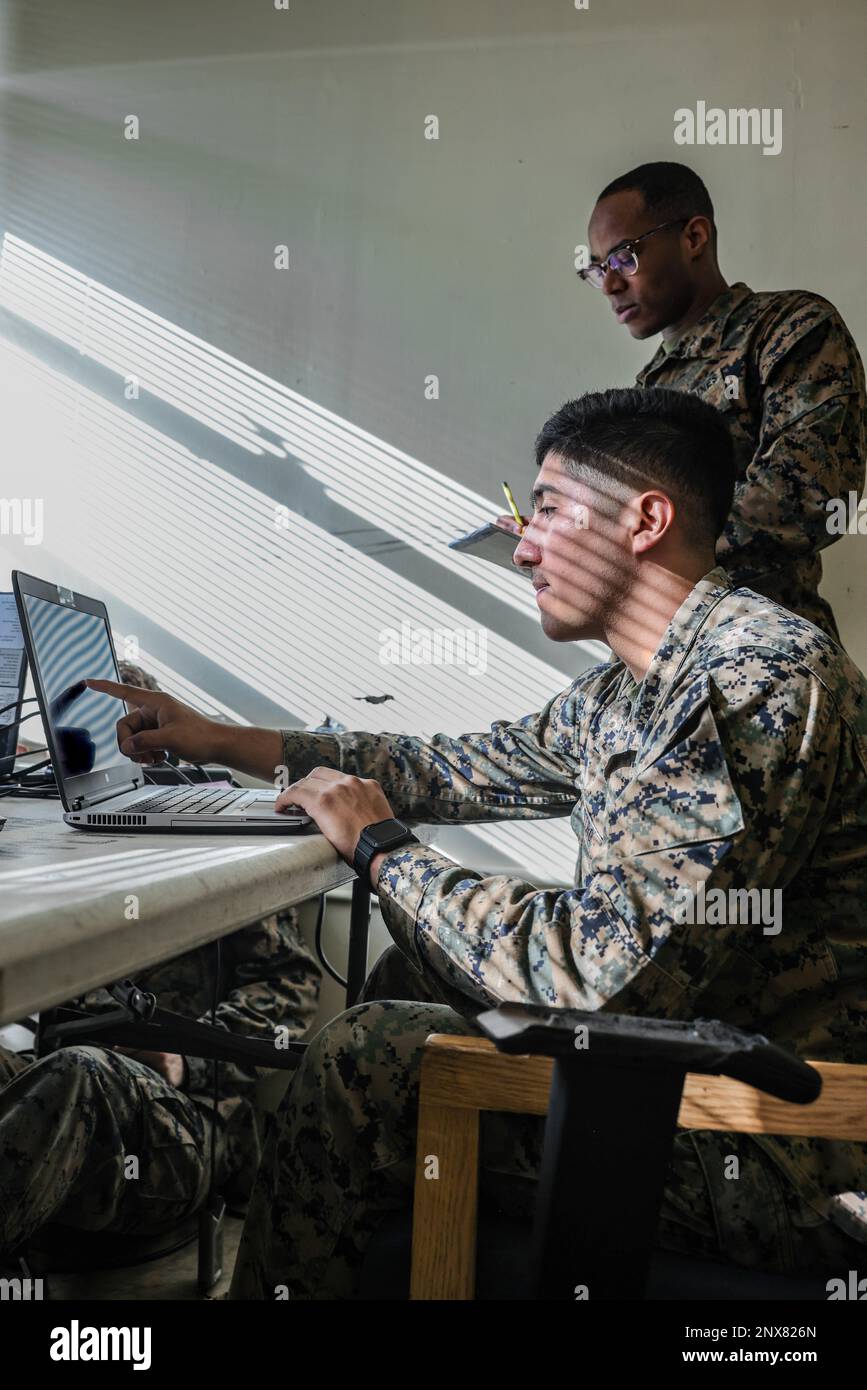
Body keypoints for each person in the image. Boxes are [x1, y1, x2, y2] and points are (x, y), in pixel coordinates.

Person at [88, 388, 867, 1298]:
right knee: (403, 980)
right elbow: (445, 765)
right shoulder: (629, 689)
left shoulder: (753, 674)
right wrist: (216, 736)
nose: (522, 547)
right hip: (675, 1076)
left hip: (770, 1140)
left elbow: (589, 972)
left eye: (543, 513)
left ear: (644, 519)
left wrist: (383, 851)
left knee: (361, 1058)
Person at [0, 664, 321, 1260]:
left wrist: (183, 1063)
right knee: (61, 1069)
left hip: (187, 1127)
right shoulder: (67, 834)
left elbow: (289, 984)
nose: (115, 753)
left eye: (134, 735)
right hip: (66, 1096)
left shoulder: (215, 838)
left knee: (82, 1074)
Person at [511, 161, 865, 643]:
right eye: (597, 270)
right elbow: (626, 521)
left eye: (622, 259)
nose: (611, 285)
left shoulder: (789, 331)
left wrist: (633, 550)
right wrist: (561, 534)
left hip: (761, 651)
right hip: (659, 656)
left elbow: (811, 497)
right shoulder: (650, 389)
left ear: (694, 237)